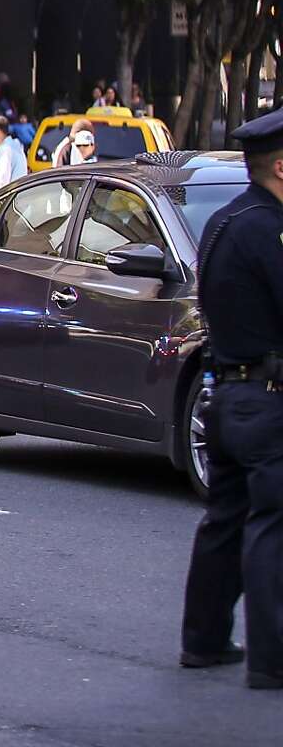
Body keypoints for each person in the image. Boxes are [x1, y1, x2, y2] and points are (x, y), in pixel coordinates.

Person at [180, 105, 283, 691]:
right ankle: (272, 657)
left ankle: (204, 639)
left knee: (226, 521)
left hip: (227, 396)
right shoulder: (268, 229)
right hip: (267, 400)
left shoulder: (223, 220)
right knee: (272, 525)